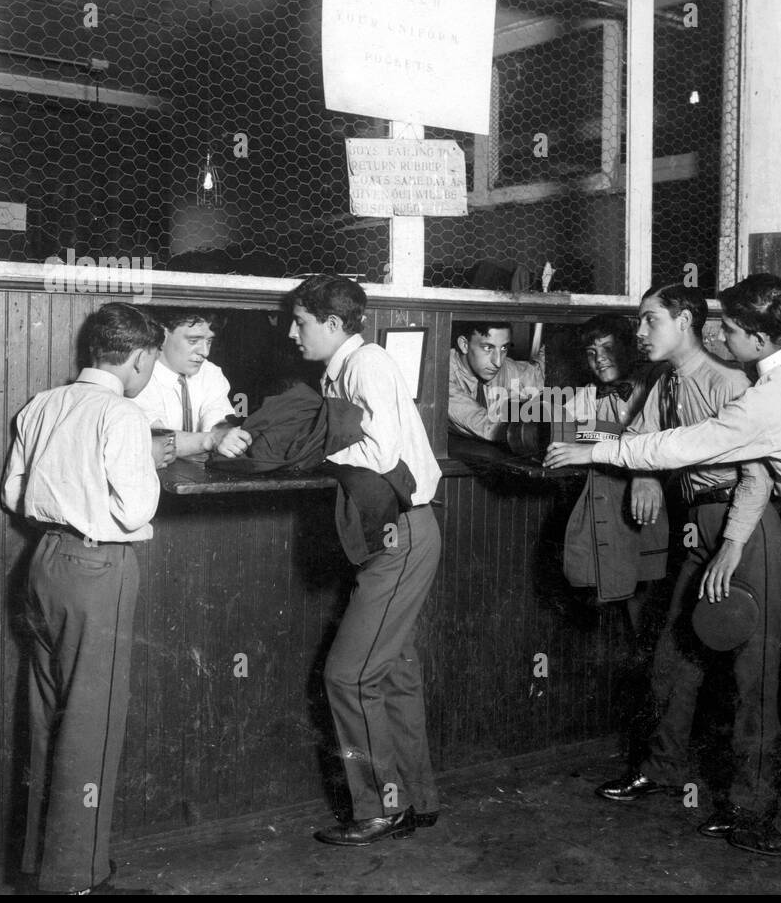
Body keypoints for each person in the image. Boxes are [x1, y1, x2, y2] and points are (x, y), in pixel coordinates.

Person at [552, 279, 781, 843]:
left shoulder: (730, 383)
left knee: (752, 673)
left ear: (685, 321)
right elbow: (651, 439)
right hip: (698, 522)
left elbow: (757, 474)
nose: (640, 331)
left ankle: (752, 803)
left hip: (744, 528)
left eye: (651, 320)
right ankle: (664, 767)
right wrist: (647, 474)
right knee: (675, 652)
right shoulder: (663, 381)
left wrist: (731, 544)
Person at [1, 302, 172, 895]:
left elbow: (13, 491)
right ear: (142, 356)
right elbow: (136, 509)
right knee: (92, 725)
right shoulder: (123, 414)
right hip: (99, 566)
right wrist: (149, 460)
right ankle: (77, 879)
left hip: (43, 562)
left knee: (49, 716)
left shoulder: (42, 405)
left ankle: (41, 864)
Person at [288, 274, 444, 846]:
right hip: (393, 531)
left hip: (401, 533)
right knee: (394, 671)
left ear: (333, 324)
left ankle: (381, 809)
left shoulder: (368, 363)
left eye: (300, 321)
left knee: (347, 676)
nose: (291, 333)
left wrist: (302, 449)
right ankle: (416, 800)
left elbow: (379, 451)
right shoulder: (344, 370)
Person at [134, 307, 251, 459]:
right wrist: (211, 440)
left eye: (209, 341)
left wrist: (225, 435)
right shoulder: (139, 375)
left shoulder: (210, 373)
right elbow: (158, 440)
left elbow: (218, 421)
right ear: (162, 335)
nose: (205, 352)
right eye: (193, 341)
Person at [447, 320, 544, 444]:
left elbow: (538, 375)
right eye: (488, 348)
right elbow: (486, 426)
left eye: (504, 348)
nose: (498, 362)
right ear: (464, 344)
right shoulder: (442, 374)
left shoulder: (503, 368)